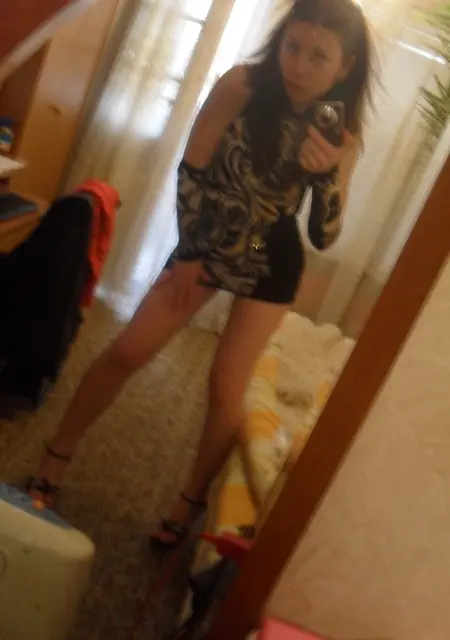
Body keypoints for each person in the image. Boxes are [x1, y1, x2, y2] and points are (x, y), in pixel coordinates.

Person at [27, 0, 375, 550]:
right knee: (129, 350)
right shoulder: (242, 85)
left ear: (344, 65)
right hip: (207, 236)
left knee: (227, 385)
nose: (299, 65)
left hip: (268, 248)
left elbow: (322, 234)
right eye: (293, 46)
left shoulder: (342, 136)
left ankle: (187, 505)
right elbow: (192, 169)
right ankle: (55, 456)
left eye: (318, 56)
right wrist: (190, 255)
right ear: (281, 39)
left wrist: (330, 175)